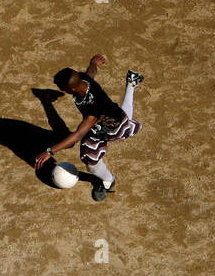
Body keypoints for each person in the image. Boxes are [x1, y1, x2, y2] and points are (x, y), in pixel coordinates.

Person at [34, 54, 143, 201]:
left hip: (112, 126)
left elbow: (78, 135)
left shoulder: (92, 107)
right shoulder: (82, 80)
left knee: (125, 123)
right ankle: (108, 180)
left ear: (71, 88)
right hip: (98, 124)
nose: (61, 90)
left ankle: (131, 84)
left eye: (62, 88)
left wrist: (50, 151)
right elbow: (90, 73)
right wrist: (94, 63)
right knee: (89, 160)